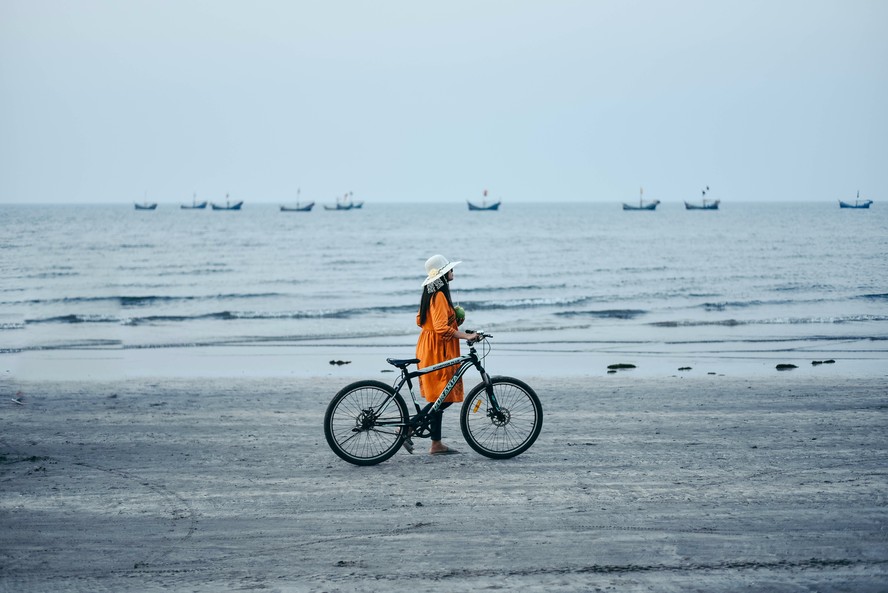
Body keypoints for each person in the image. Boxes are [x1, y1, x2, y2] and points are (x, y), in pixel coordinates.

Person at [415, 254, 479, 455]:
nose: (453, 272)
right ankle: (407, 428)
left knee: (440, 396)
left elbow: (421, 321)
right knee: (445, 396)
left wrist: (455, 323)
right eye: (450, 269)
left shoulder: (430, 293)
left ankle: (436, 444)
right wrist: (465, 336)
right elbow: (441, 328)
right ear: (442, 275)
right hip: (438, 349)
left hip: (430, 345)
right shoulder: (440, 296)